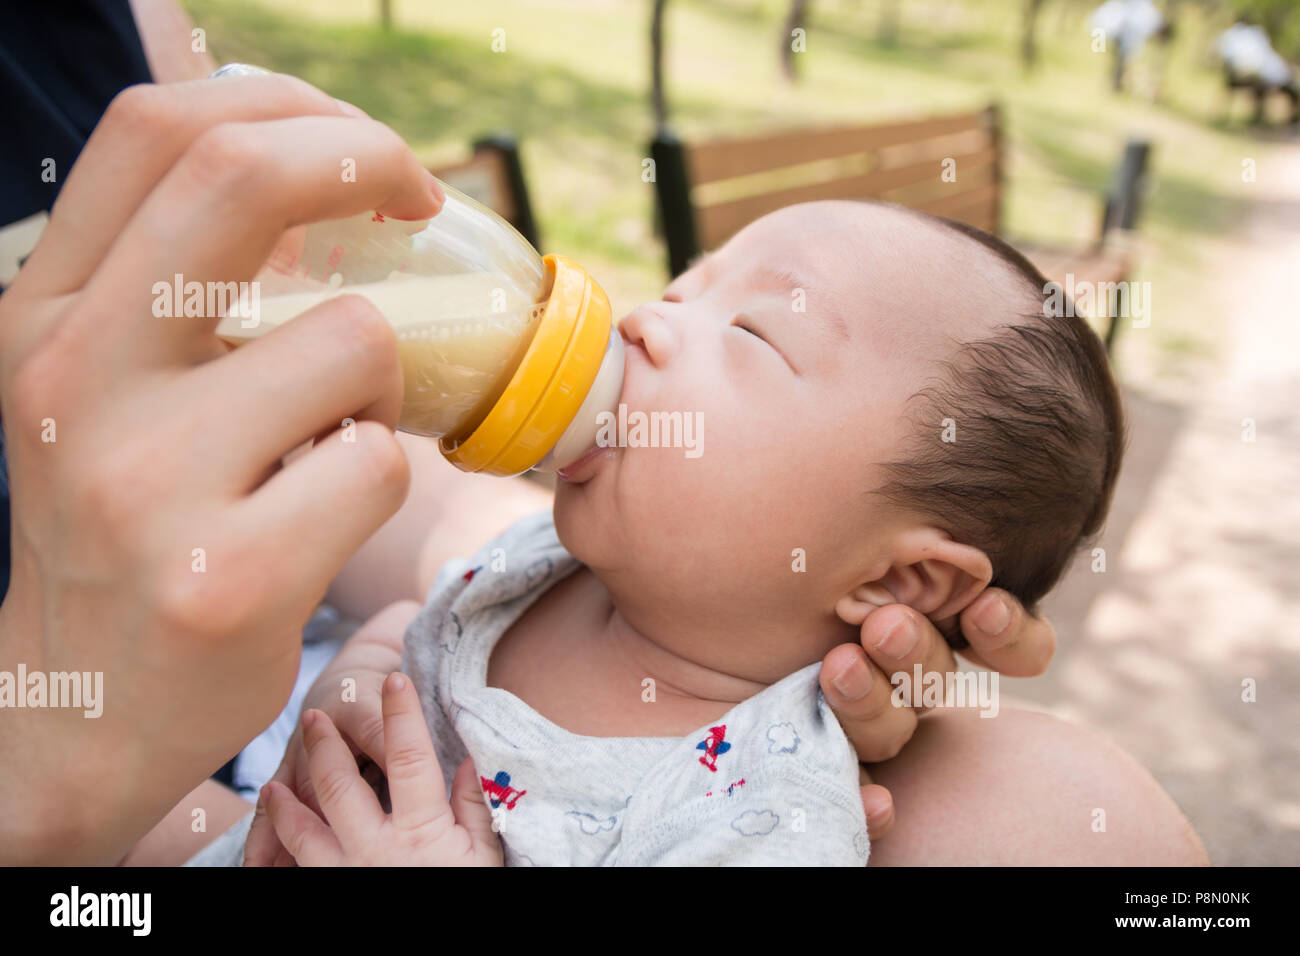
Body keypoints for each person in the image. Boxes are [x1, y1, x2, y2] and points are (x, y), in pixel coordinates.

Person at [0, 7, 1204, 867]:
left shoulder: (765, 802)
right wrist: (366, 686)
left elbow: (427, 586)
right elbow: (423, 629)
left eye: (757, 334)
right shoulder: (545, 573)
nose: (654, 317)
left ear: (897, 578)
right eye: (687, 280)